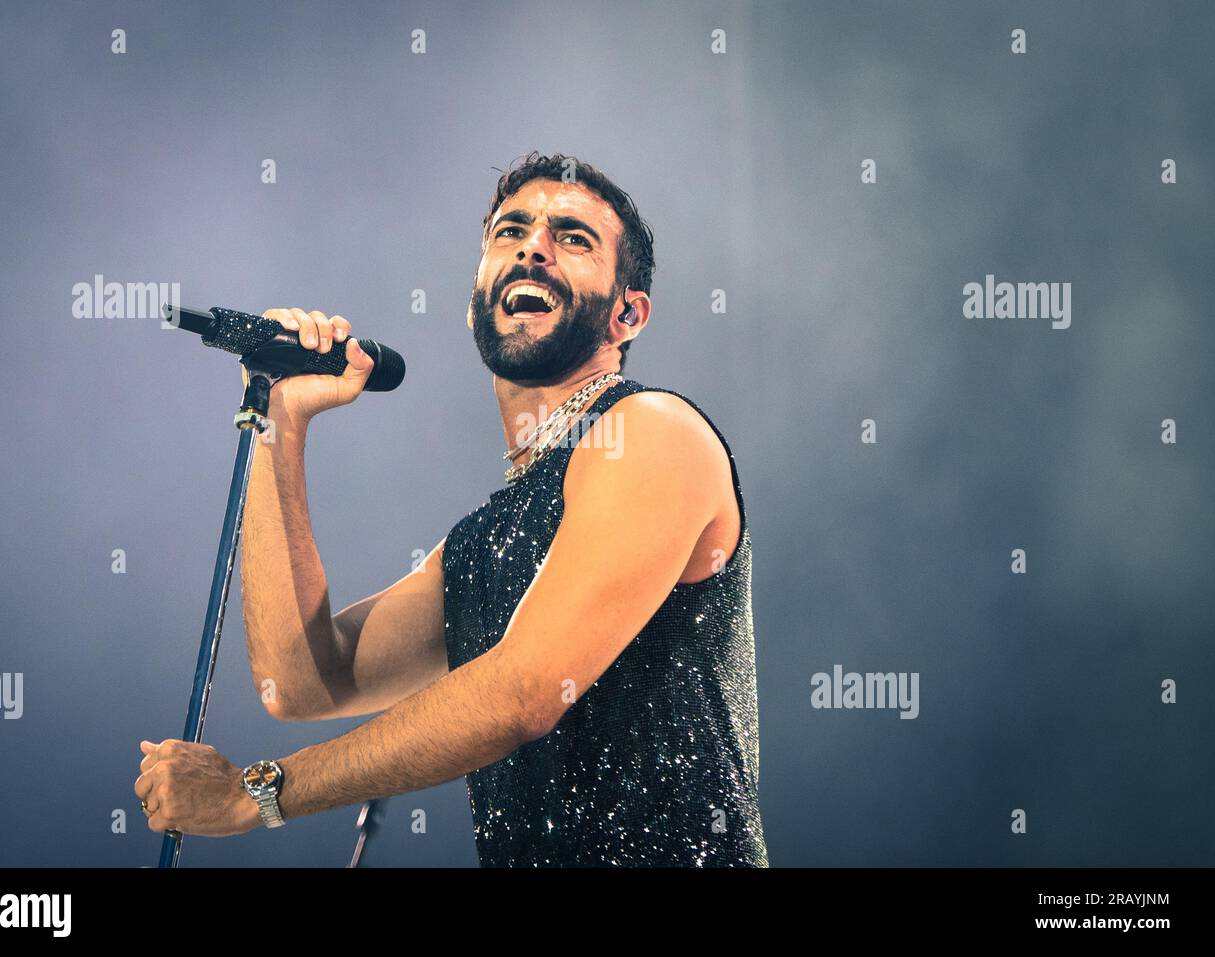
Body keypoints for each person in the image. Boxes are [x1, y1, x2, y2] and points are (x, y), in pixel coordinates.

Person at [135, 152, 769, 867]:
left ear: (628, 313)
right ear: (474, 300)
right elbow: (302, 679)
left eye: (574, 237)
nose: (533, 246)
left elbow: (523, 688)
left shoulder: (655, 430)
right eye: (511, 231)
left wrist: (253, 793)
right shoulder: (479, 543)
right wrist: (280, 418)